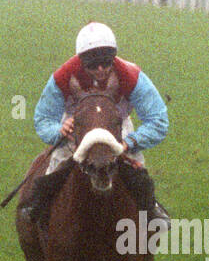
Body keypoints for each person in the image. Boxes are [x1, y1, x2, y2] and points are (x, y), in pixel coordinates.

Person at [20, 21, 169, 224]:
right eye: (92, 64)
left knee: (137, 170)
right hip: (77, 125)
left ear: (114, 57)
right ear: (81, 61)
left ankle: (150, 210)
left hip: (117, 125)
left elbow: (158, 120)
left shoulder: (132, 76)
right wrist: (59, 131)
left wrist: (129, 143)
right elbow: (43, 119)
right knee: (56, 164)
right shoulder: (62, 77)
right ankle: (39, 210)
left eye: (106, 62)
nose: (100, 69)